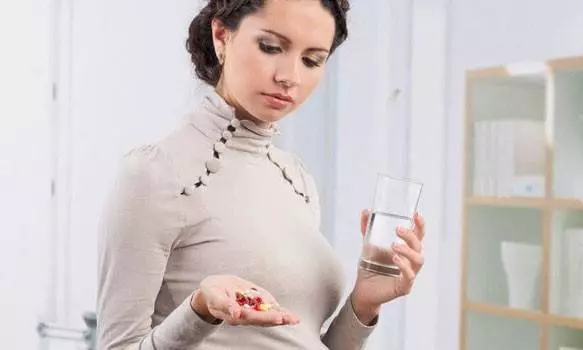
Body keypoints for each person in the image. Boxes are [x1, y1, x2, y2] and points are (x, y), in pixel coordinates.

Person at [96, 0, 426, 349]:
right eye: (270, 47)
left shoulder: (297, 179)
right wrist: (199, 312)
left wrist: (364, 302)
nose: (290, 77)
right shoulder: (154, 175)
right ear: (221, 36)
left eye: (312, 60)